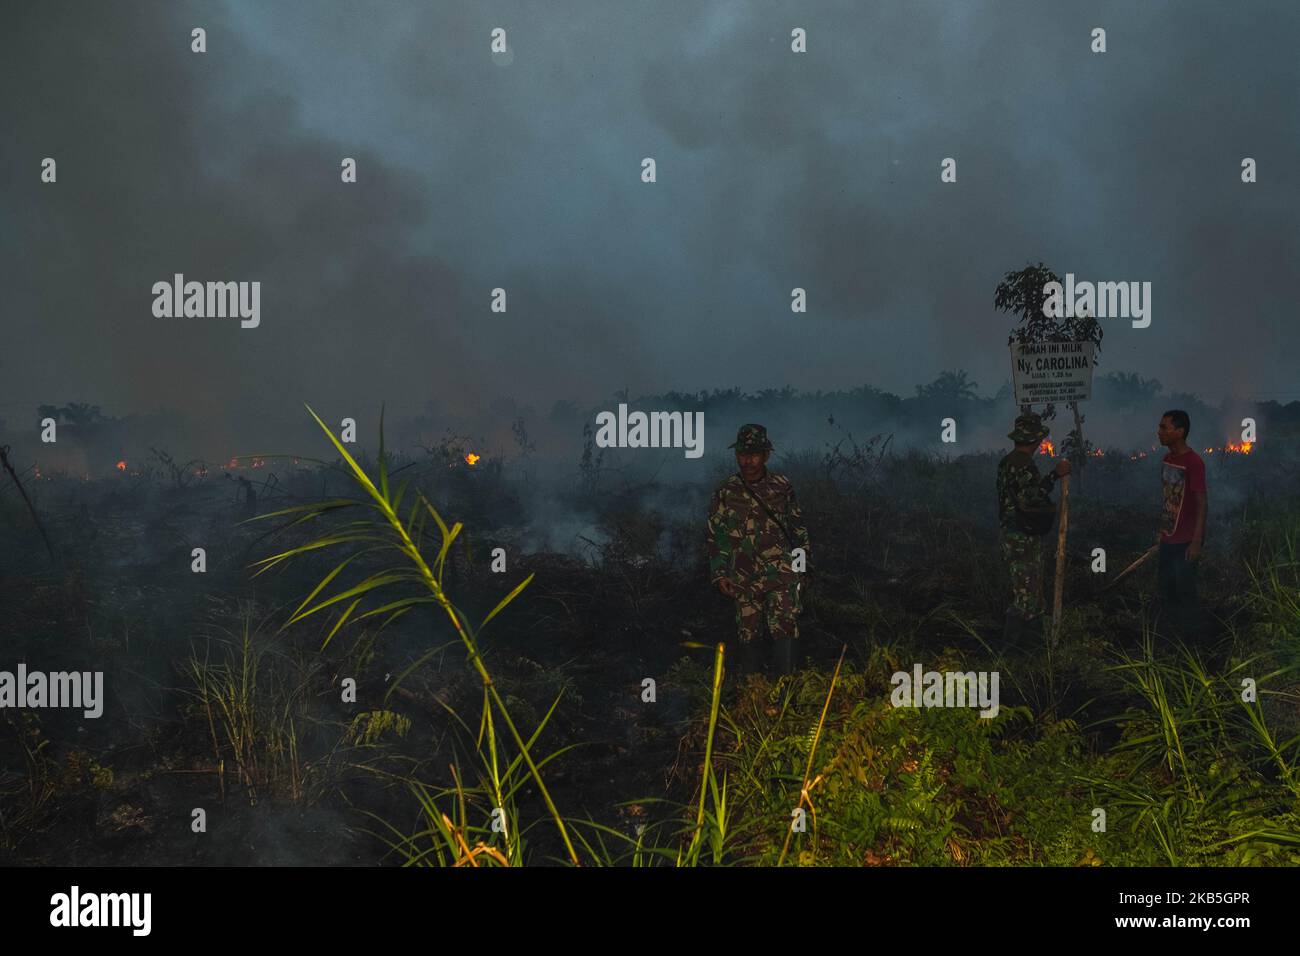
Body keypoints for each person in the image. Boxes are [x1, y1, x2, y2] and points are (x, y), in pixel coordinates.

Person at [707, 424, 810, 678]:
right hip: (743, 576)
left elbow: (798, 530)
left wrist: (802, 570)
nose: (747, 461)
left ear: (766, 455)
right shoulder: (726, 491)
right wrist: (719, 574)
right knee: (748, 633)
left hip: (782, 573)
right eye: (742, 454)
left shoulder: (781, 486)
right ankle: (753, 696)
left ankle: (786, 692)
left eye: (753, 454)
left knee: (785, 627)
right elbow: (716, 536)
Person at [996, 413, 1070, 647]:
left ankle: (1032, 646)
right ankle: (1015, 649)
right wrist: (1055, 475)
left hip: (1015, 532)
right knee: (1027, 593)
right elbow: (1032, 496)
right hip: (1021, 535)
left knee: (1030, 589)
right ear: (1036, 440)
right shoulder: (1022, 464)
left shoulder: (1008, 461)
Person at [1155, 409, 1207, 640]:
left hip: (1186, 540)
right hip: (1168, 537)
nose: (1159, 432)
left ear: (1180, 431)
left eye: (1164, 427)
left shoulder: (1194, 462)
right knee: (1167, 590)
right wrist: (1162, 531)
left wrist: (1196, 542)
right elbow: (1168, 499)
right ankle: (1172, 642)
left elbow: (1202, 504)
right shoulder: (1167, 459)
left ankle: (1194, 645)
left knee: (1185, 592)